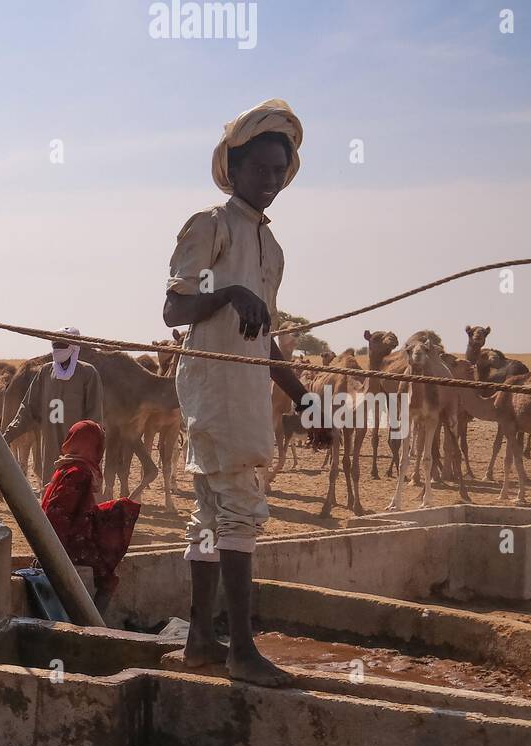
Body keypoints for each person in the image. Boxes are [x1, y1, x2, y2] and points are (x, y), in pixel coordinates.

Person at [162, 99, 328, 687]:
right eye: (261, 168)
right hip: (215, 386)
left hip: (248, 386)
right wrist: (230, 293)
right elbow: (174, 308)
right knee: (239, 505)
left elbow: (267, 340)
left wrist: (306, 398)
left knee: (212, 511)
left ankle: (202, 641)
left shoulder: (271, 248)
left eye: (280, 171)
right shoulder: (209, 225)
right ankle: (242, 651)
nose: (272, 180)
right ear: (234, 167)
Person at [40, 421, 140, 614]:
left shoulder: (65, 468)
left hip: (58, 539)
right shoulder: (79, 473)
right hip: (70, 544)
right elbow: (58, 515)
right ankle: (93, 622)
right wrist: (53, 553)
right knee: (109, 579)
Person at [3, 328, 104, 487]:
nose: (57, 348)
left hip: (77, 456)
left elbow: (94, 421)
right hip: (50, 454)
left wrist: (90, 455)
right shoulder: (45, 372)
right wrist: (7, 436)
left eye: (62, 344)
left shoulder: (88, 373)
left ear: (74, 346)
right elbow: (27, 410)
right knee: (50, 494)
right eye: (55, 343)